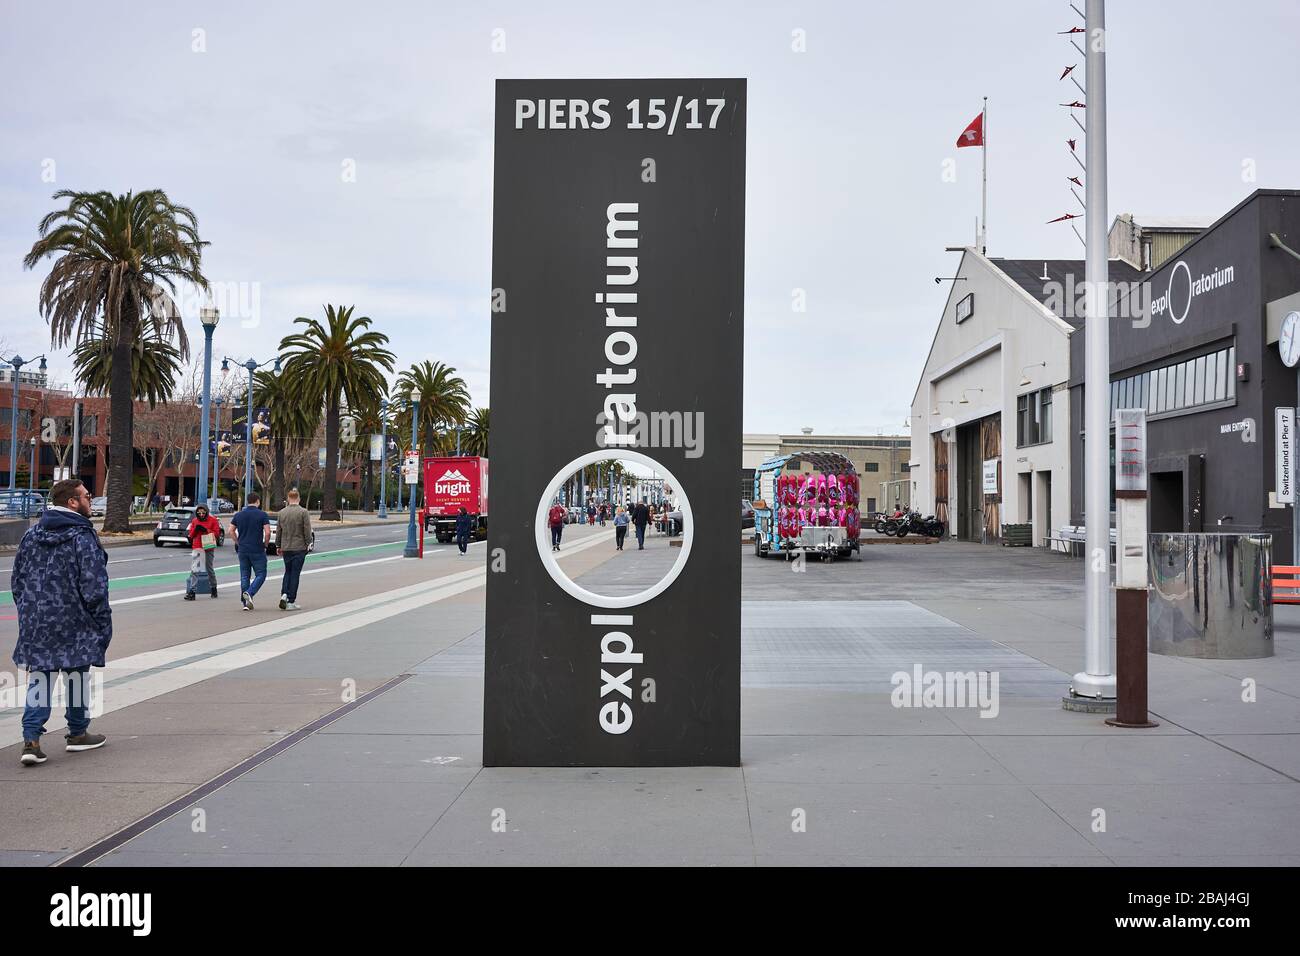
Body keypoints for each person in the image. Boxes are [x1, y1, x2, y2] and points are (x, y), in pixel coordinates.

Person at [11, 479, 110, 765]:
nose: (90, 501)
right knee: (77, 675)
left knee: (41, 677)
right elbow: (94, 586)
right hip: (75, 620)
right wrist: (101, 621)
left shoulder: (31, 535)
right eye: (86, 496)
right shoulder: (82, 537)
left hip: (37, 621)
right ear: (72, 502)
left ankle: (31, 740)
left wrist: (30, 612)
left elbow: (17, 580)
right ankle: (77, 733)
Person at [230, 492, 271, 611]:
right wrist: (266, 544)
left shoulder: (239, 515)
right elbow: (267, 532)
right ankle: (250, 593)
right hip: (257, 548)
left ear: (247, 501)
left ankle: (245, 603)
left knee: (244, 576)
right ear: (258, 501)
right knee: (261, 574)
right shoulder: (262, 515)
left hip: (243, 549)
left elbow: (231, 530)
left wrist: (237, 542)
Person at [276, 488, 312, 610]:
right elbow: (307, 530)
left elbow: (279, 531)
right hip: (299, 546)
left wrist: (278, 545)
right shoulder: (303, 512)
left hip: (286, 547)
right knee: (295, 574)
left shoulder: (281, 513)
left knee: (288, 571)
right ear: (298, 499)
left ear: (288, 499)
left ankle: (284, 595)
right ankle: (291, 600)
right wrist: (309, 543)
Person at [184, 504, 222, 600]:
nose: (201, 514)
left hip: (208, 547)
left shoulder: (213, 520)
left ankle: (213, 588)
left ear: (206, 512)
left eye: (203, 513)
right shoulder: (194, 521)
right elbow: (191, 535)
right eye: (199, 513)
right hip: (197, 547)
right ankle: (192, 591)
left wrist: (206, 530)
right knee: (195, 570)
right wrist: (196, 530)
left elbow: (217, 534)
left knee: (209, 569)